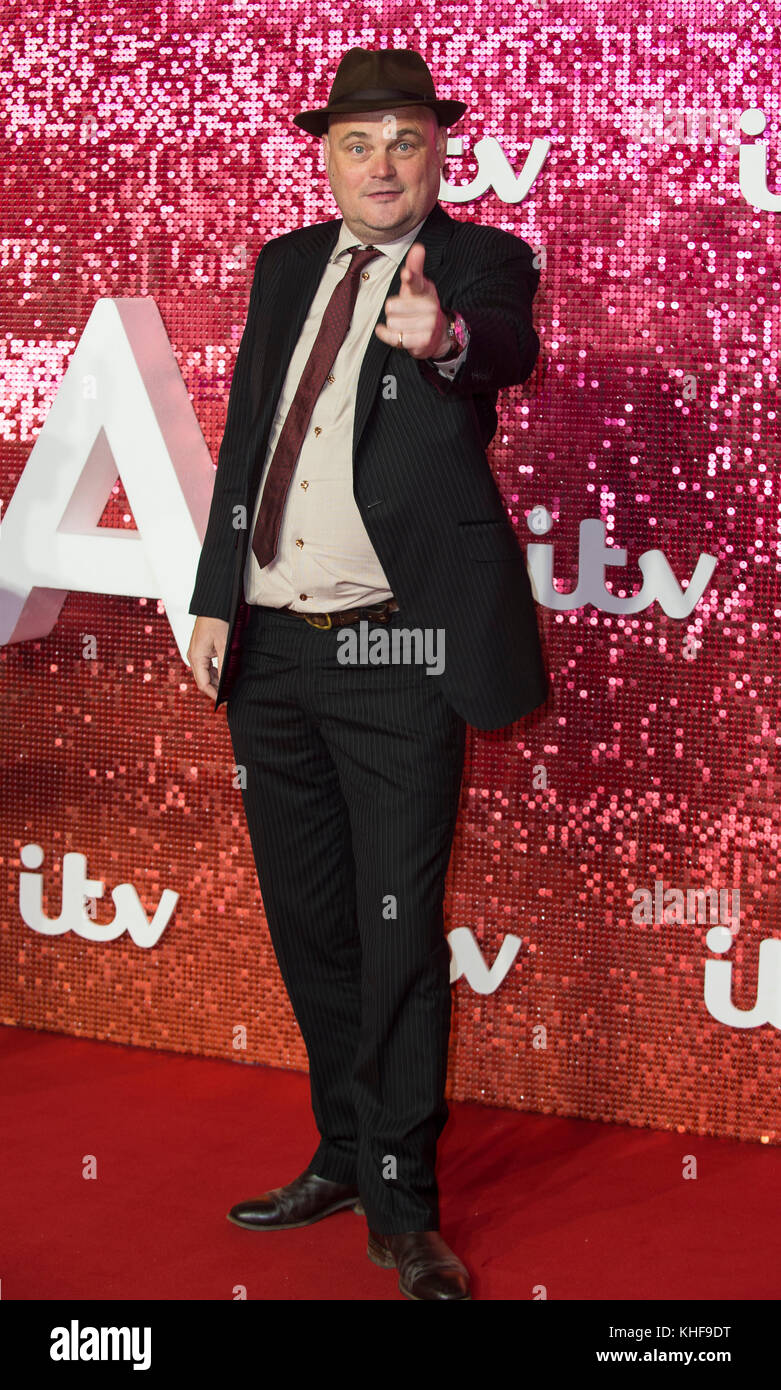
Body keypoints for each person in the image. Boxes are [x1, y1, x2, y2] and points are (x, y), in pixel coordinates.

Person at [186, 45, 548, 1301]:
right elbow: (247, 432)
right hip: (272, 648)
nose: (381, 163)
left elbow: (504, 347)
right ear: (326, 157)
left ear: (438, 154)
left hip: (395, 650)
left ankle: (402, 1202)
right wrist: (213, 595)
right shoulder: (287, 264)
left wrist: (443, 336)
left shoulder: (482, 261)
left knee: (396, 933)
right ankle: (342, 1153)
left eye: (404, 140)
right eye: (357, 142)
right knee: (312, 924)